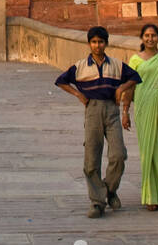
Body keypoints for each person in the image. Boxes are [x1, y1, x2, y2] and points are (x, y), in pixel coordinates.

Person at [54, 26, 141, 218]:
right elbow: (61, 81)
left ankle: (108, 190)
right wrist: (78, 94)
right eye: (94, 42)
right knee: (92, 158)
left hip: (112, 109)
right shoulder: (81, 66)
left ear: (106, 43)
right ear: (89, 44)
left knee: (118, 155)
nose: (97, 45)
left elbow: (135, 77)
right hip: (92, 109)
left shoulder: (116, 65)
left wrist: (121, 89)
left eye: (101, 42)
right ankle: (97, 201)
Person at [126, 23, 158, 210]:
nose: (150, 39)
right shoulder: (135, 60)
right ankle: (151, 196)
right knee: (148, 151)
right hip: (144, 108)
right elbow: (130, 87)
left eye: (153, 35)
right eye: (146, 35)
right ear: (142, 38)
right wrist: (125, 112)